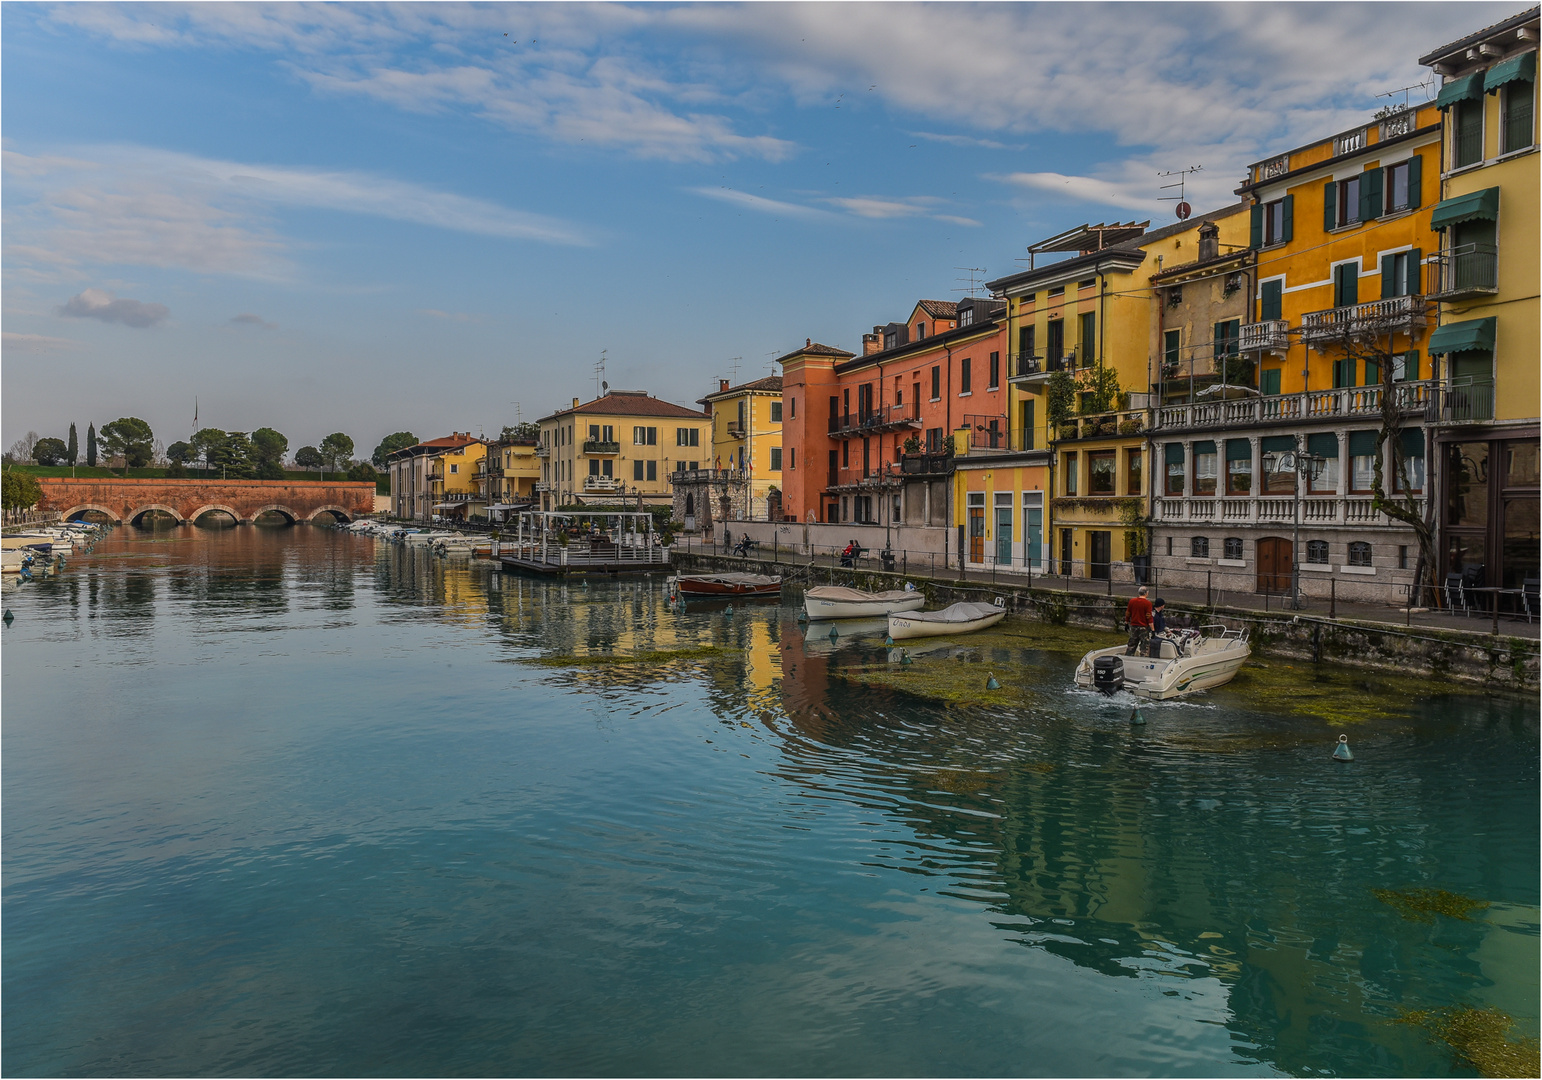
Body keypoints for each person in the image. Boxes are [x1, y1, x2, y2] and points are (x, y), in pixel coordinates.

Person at [1125, 585, 1154, 656]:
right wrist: (1153, 629)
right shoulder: (1148, 603)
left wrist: (1126, 622)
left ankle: (1127, 658)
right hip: (1143, 627)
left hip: (1134, 626)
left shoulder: (1132, 601)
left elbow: (1128, 613)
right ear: (1146, 593)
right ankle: (1142, 660)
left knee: (1131, 644)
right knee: (1144, 646)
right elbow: (1148, 616)